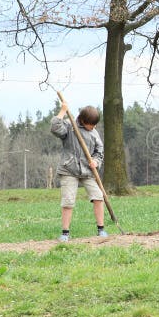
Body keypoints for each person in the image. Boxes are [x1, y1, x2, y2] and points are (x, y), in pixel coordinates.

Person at [50, 102, 108, 241]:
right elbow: (55, 128)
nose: (93, 127)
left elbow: (99, 152)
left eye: (95, 125)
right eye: (91, 124)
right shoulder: (70, 126)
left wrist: (96, 162)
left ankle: (101, 230)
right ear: (83, 120)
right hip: (69, 170)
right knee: (68, 201)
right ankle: (65, 233)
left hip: (87, 171)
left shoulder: (94, 133)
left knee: (99, 196)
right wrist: (62, 111)